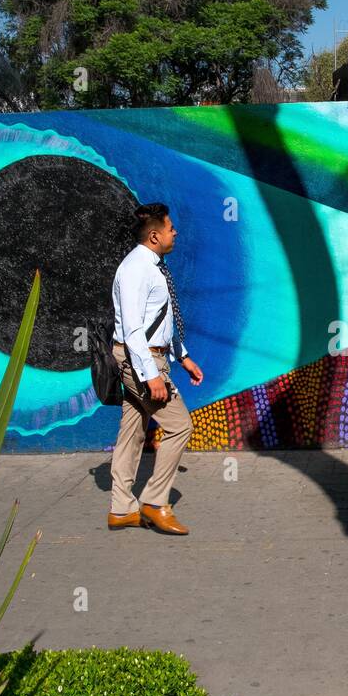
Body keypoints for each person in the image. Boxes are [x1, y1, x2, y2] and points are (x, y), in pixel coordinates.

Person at [108, 203, 204, 534]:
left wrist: (183, 356)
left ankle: (121, 508)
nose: (174, 232)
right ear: (154, 235)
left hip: (152, 356)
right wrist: (152, 376)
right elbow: (134, 329)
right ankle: (154, 502)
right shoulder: (136, 268)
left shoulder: (153, 266)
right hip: (141, 361)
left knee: (132, 431)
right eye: (170, 227)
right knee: (180, 426)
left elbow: (158, 322)